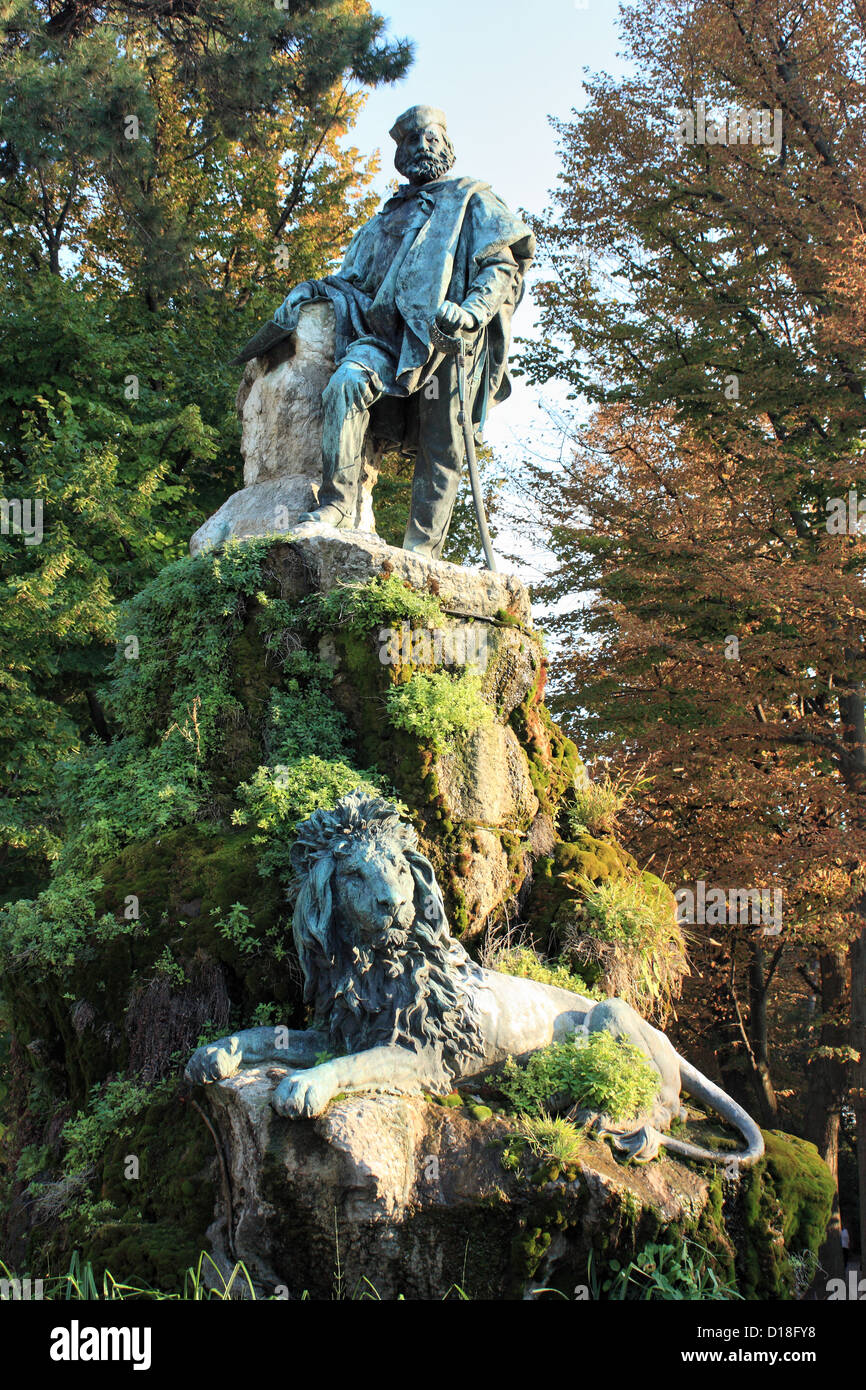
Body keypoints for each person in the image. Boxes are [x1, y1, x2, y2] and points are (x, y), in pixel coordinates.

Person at [234, 105, 534, 559]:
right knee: (345, 385)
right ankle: (338, 503)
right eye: (412, 142)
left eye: (431, 139)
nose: (422, 148)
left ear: (447, 148)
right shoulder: (381, 221)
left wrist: (471, 313)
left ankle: (420, 551)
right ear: (400, 155)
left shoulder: (472, 199)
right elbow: (351, 283)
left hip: (449, 338)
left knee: (443, 441)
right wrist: (310, 289)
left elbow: (501, 266)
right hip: (387, 337)